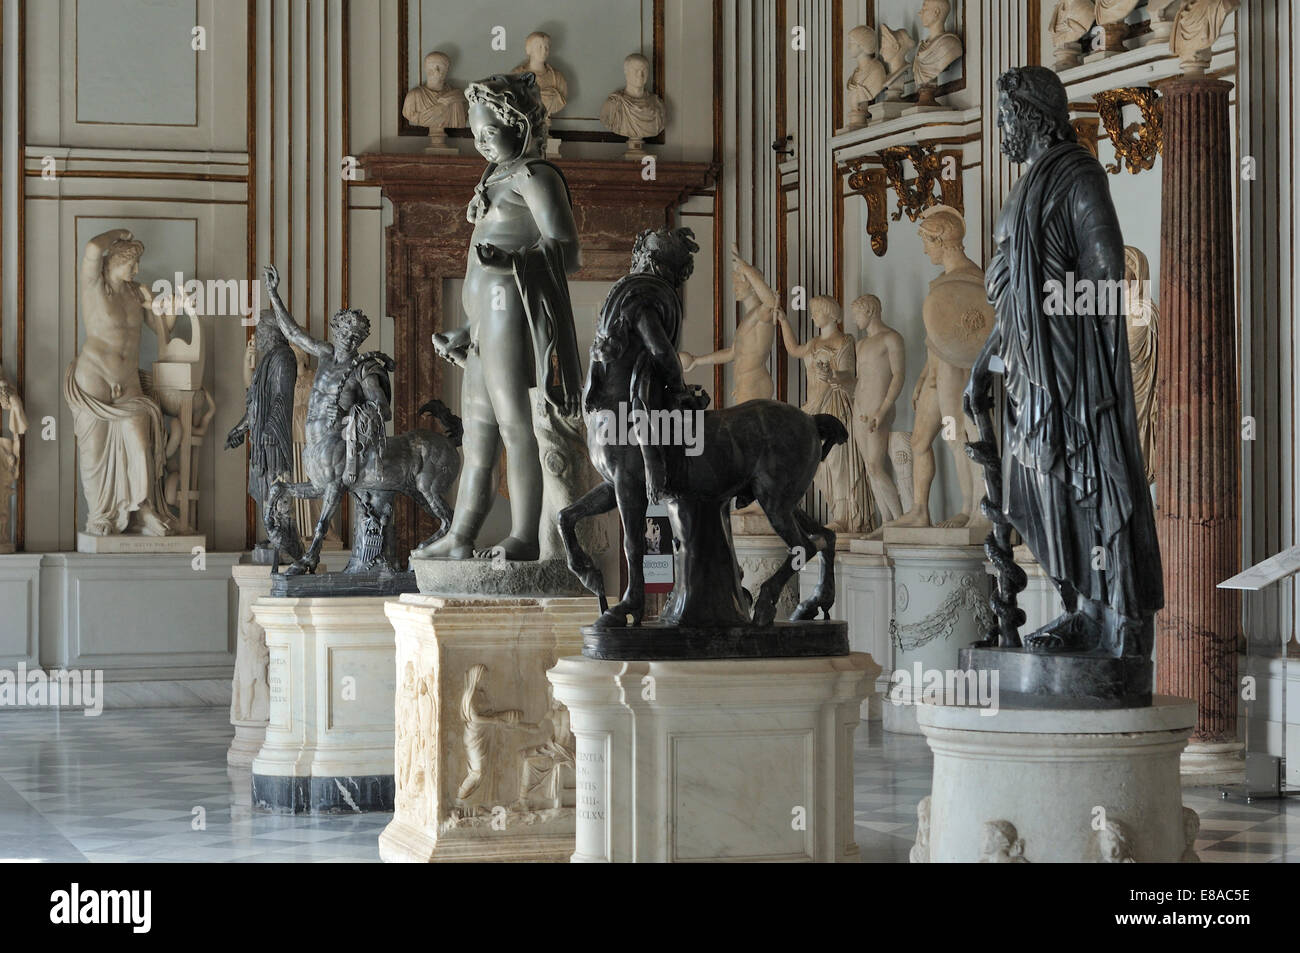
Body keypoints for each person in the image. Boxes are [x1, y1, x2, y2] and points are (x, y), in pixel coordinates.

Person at [965, 65, 1162, 657]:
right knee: (1035, 493)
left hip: (1070, 372)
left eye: (1004, 118)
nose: (1000, 131)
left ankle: (1109, 615)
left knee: (1080, 483)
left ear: (1030, 115)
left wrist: (1058, 315)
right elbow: (1012, 300)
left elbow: (1105, 273)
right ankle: (1080, 608)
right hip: (1028, 368)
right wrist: (986, 361)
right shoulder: (1027, 185)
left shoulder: (1078, 176)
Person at [429, 72, 583, 560]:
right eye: (474, 134)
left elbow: (568, 252)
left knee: (519, 430)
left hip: (514, 318)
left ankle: (524, 538)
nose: (480, 144)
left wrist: (512, 262)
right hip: (484, 326)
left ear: (518, 125)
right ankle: (460, 537)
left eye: (488, 133)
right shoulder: (493, 178)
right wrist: (465, 329)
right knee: (476, 437)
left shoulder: (535, 176)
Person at [63, 228, 173, 537]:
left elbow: (162, 331)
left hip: (128, 384)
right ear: (116, 261)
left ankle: (145, 510)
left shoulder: (136, 292)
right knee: (94, 451)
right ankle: (100, 516)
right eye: (132, 263)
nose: (137, 270)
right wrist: (116, 234)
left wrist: (156, 306)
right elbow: (92, 248)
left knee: (140, 443)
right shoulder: (94, 285)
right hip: (93, 377)